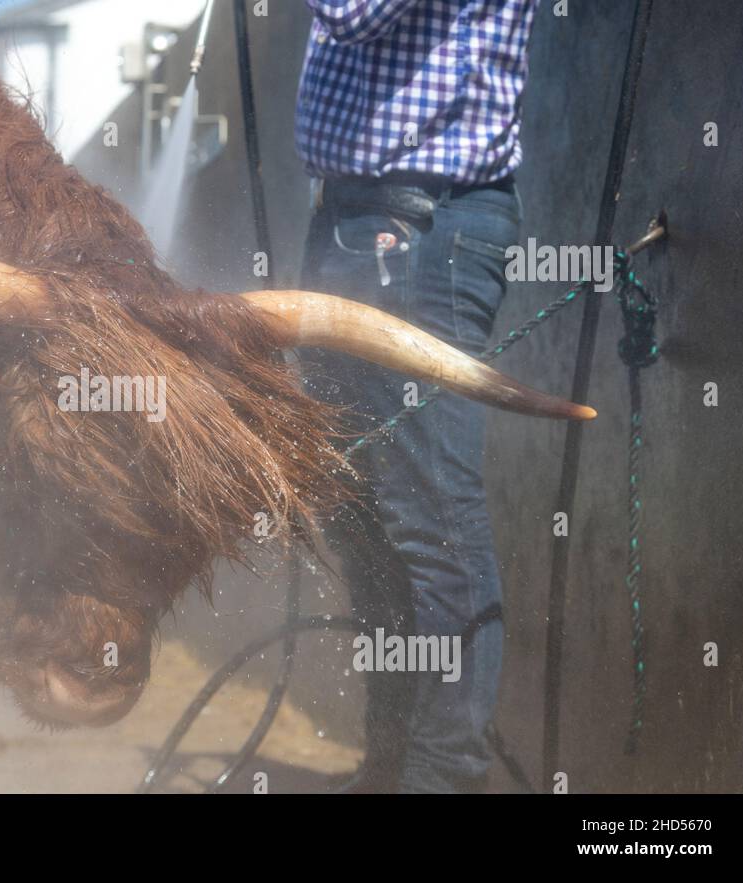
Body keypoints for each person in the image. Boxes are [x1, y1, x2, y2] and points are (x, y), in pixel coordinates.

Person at [295, 0, 540, 793]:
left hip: (423, 228)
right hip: (359, 215)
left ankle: (442, 779)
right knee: (357, 506)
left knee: (430, 519)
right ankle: (392, 766)